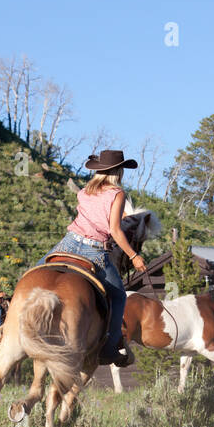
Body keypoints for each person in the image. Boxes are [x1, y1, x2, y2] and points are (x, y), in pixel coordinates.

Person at [43, 149, 147, 367]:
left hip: (68, 243)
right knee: (119, 296)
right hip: (94, 250)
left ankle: (7, 322)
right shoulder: (118, 194)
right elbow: (115, 231)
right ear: (118, 171)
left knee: (35, 273)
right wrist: (134, 255)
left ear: (100, 170)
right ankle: (109, 350)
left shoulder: (84, 191)